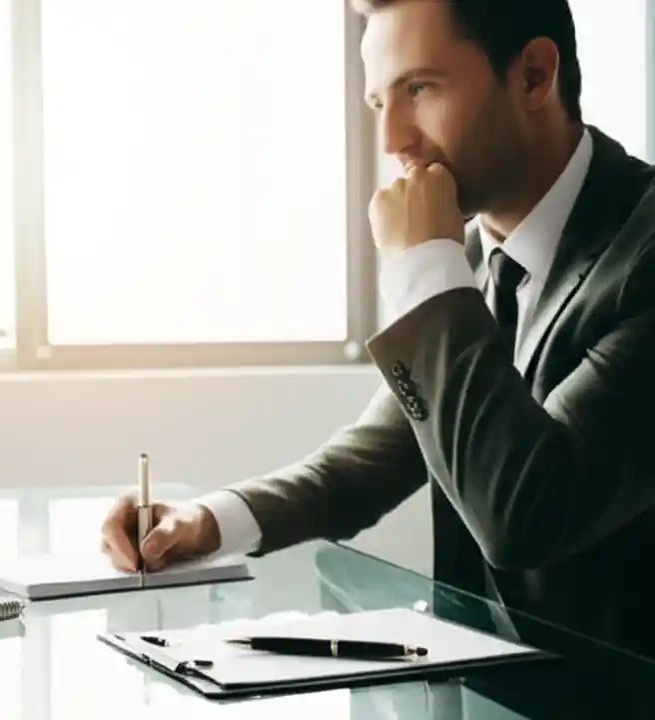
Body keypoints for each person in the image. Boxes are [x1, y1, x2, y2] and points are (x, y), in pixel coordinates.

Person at [101, 0, 654, 659]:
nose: (392, 140)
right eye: (377, 102)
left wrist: (427, 267)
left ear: (533, 75)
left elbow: (526, 516)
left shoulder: (635, 252)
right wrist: (205, 521)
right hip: (486, 685)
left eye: (419, 89)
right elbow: (372, 459)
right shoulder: (470, 256)